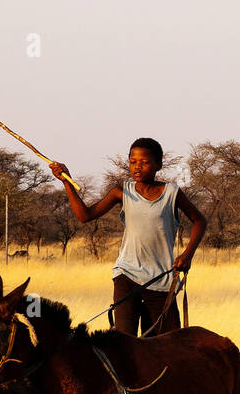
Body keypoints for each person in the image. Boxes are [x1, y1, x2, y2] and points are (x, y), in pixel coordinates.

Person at [50, 137, 206, 335]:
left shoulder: (172, 193)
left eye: (144, 162)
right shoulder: (122, 192)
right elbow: (85, 216)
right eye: (133, 162)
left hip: (161, 279)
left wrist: (187, 255)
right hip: (127, 276)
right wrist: (66, 182)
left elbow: (200, 221)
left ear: (158, 164)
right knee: (124, 342)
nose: (137, 167)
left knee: (164, 343)